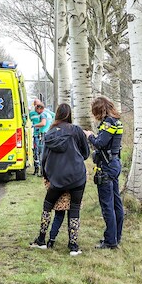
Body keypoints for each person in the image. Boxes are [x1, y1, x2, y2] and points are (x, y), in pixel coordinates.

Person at [31, 102, 90, 255]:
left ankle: (41, 239)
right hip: (77, 176)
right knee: (74, 209)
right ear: (69, 114)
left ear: (56, 114)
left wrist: (47, 176)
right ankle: (73, 245)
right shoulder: (76, 131)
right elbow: (86, 153)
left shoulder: (49, 133)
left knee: (47, 206)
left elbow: (44, 158)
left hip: (57, 179)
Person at [87, 96, 124, 249]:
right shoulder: (117, 121)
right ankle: (116, 236)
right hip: (114, 163)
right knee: (116, 202)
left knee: (107, 204)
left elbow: (100, 143)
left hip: (107, 167)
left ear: (100, 109)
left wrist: (89, 136)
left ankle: (110, 240)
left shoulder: (108, 123)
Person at [28, 99, 53, 176]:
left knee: (40, 152)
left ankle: (41, 171)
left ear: (40, 108)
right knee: (38, 152)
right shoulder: (34, 113)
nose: (35, 108)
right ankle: (39, 170)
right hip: (39, 134)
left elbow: (43, 123)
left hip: (41, 135)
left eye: (36, 107)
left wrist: (33, 125)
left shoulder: (43, 114)